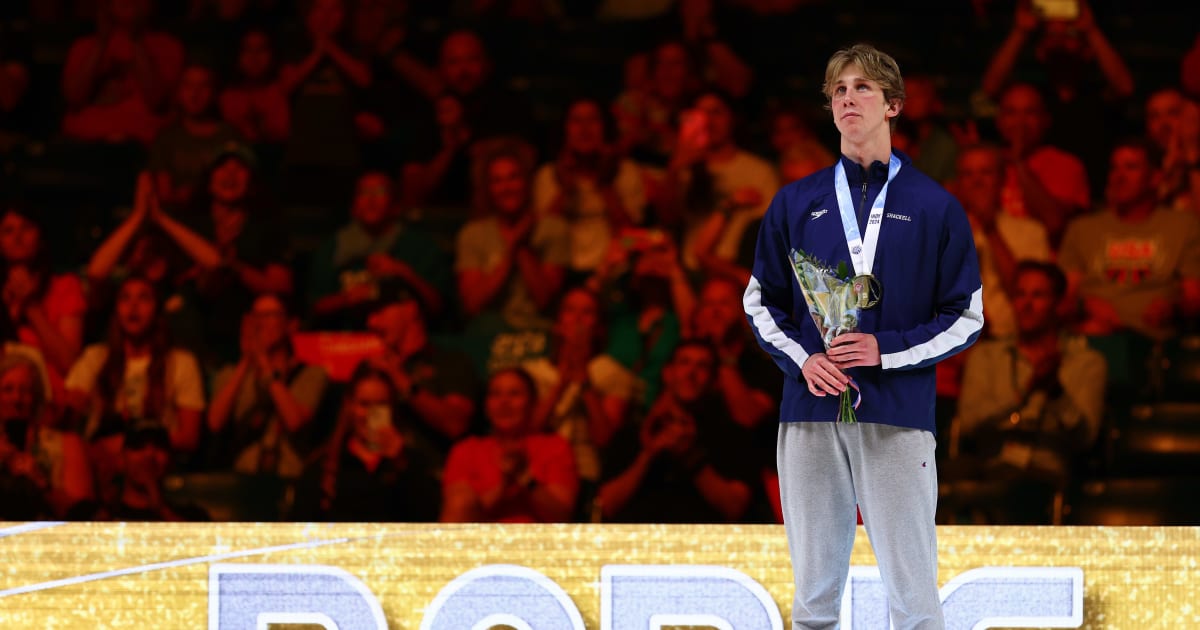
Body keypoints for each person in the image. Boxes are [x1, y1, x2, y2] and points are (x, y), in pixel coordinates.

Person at [744, 44, 984, 629]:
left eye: (863, 89)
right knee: (813, 599)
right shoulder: (796, 203)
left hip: (898, 415)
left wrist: (888, 350)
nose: (848, 99)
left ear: (894, 105)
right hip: (810, 410)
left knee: (913, 597)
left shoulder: (934, 206)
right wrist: (803, 359)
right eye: (839, 91)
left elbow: (967, 315)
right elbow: (759, 300)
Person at [948, 262, 1105, 524]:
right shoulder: (986, 356)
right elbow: (969, 422)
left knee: (1018, 491)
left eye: (1038, 295)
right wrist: (1022, 396)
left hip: (1047, 470)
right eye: (1020, 295)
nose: (1027, 305)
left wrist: (1057, 394)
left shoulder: (1086, 362)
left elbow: (1086, 437)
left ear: (1057, 303)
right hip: (990, 464)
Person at [597, 339, 758, 523]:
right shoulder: (635, 431)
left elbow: (735, 509)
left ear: (714, 381)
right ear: (668, 373)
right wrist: (648, 455)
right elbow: (604, 505)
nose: (691, 373)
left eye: (702, 366)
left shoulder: (732, 436)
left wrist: (691, 455)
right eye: (684, 363)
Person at [1058, 138, 1200, 341]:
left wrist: (1173, 309)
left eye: (1131, 167)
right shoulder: (1082, 228)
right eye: (1114, 168)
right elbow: (1064, 299)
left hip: (1155, 342)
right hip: (1093, 339)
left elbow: (1194, 297)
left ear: (1155, 178)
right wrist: (1083, 306)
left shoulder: (1184, 226)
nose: (1119, 176)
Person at [206, 293, 329, 479]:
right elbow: (215, 423)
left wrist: (264, 363)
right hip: (242, 476)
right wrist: (246, 360)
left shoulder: (312, 373)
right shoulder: (230, 374)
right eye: (255, 316)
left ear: (291, 324)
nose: (260, 323)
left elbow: (294, 421)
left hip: (291, 475)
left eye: (269, 315)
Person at [440, 367, 578, 523]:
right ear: (486, 405)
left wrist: (525, 477)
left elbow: (562, 516)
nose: (504, 402)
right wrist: (503, 485)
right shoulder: (466, 450)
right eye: (496, 394)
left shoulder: (555, 447)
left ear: (532, 403)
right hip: (480, 542)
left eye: (514, 394)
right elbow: (457, 516)